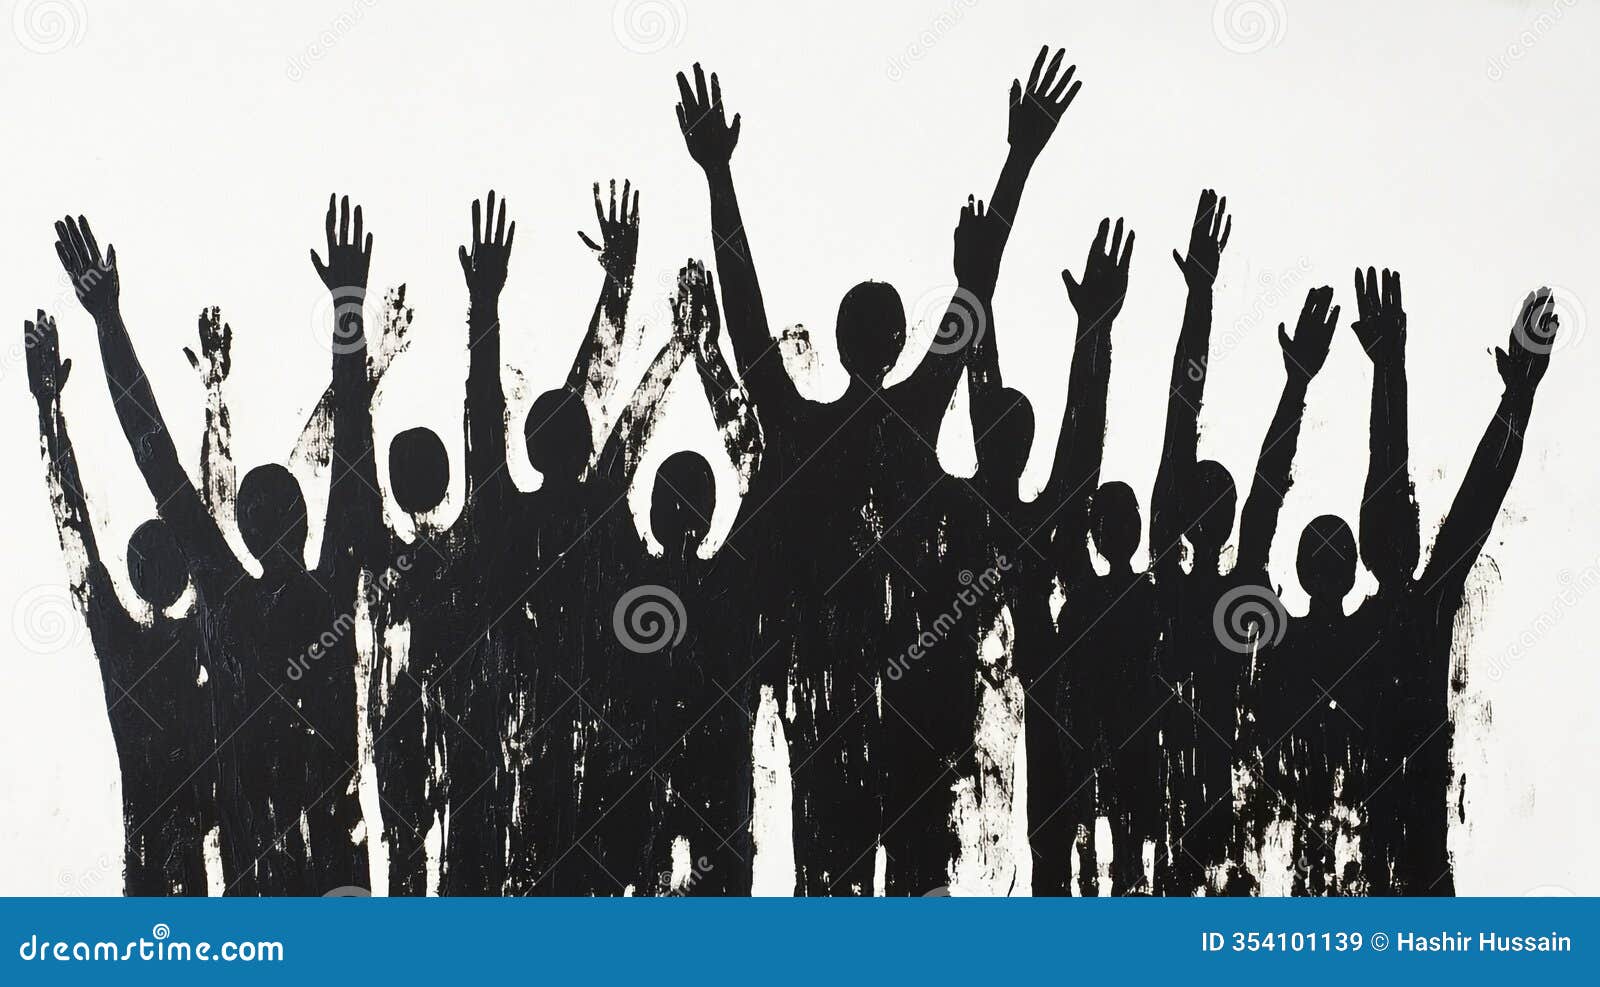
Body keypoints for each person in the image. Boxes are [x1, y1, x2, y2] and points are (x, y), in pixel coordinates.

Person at [674, 45, 1081, 896]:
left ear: (842, 337)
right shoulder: (913, 413)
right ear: (897, 343)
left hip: (834, 706)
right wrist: (1018, 161)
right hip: (911, 702)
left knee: (836, 889)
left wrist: (719, 176)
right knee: (918, 889)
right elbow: (975, 294)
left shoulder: (800, 426)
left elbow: (745, 313)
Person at [55, 201, 380, 895]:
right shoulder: (331, 589)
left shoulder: (228, 595)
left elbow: (156, 457)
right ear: (300, 520)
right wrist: (347, 307)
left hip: (254, 884)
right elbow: (353, 436)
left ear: (249, 528)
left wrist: (109, 320)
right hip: (335, 877)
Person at [26, 311, 211, 896]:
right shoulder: (210, 630)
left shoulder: (121, 646)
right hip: (214, 861)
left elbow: (73, 524)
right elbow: (207, 507)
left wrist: (49, 413)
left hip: (146, 866)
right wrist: (215, 396)